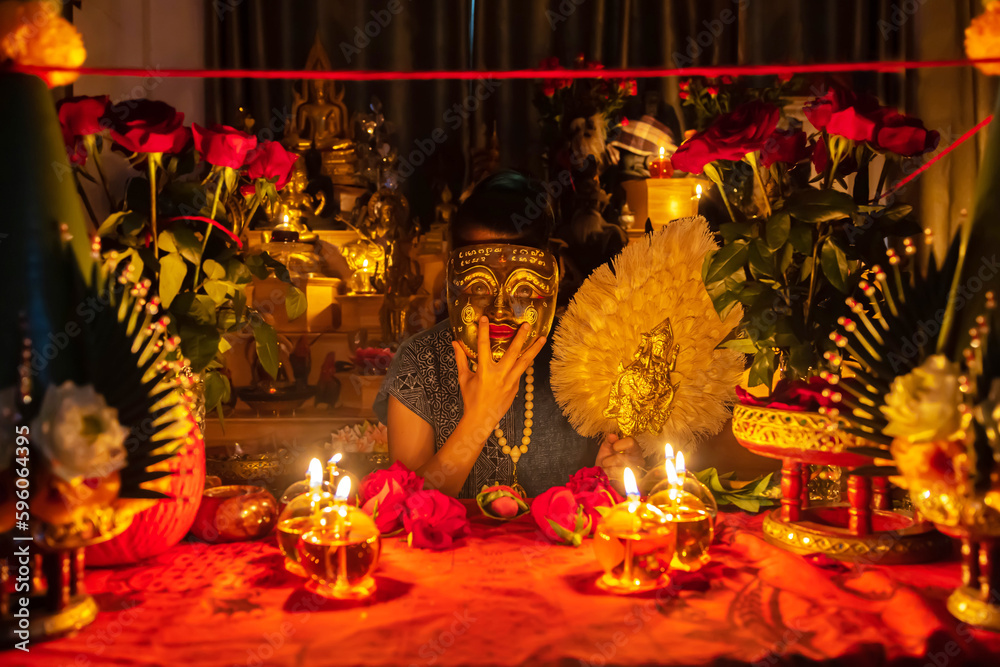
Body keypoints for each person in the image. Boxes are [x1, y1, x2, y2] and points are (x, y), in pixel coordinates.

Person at [373, 171, 644, 498]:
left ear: (552, 278)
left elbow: (615, 492)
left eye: (524, 288)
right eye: (477, 287)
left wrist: (611, 474)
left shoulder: (588, 355)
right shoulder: (421, 360)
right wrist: (480, 417)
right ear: (451, 281)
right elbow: (407, 511)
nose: (499, 310)